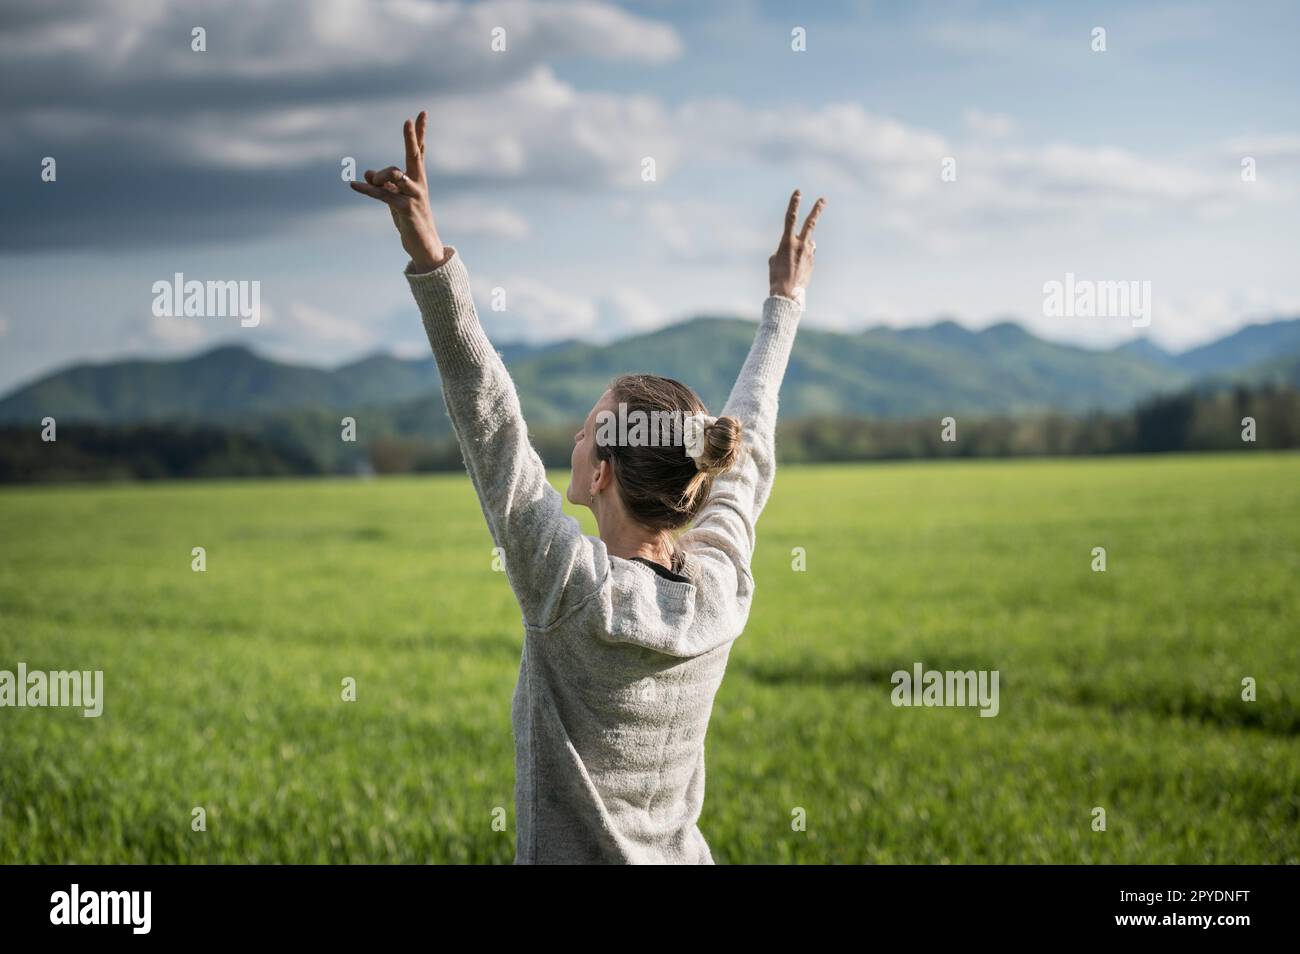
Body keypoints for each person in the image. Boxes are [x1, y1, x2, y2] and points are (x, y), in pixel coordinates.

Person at [352, 110, 825, 863]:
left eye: (585, 428)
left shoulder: (571, 589)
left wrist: (432, 258)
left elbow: (491, 419)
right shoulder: (722, 583)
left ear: (601, 471)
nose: (572, 438)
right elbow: (752, 440)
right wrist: (784, 305)